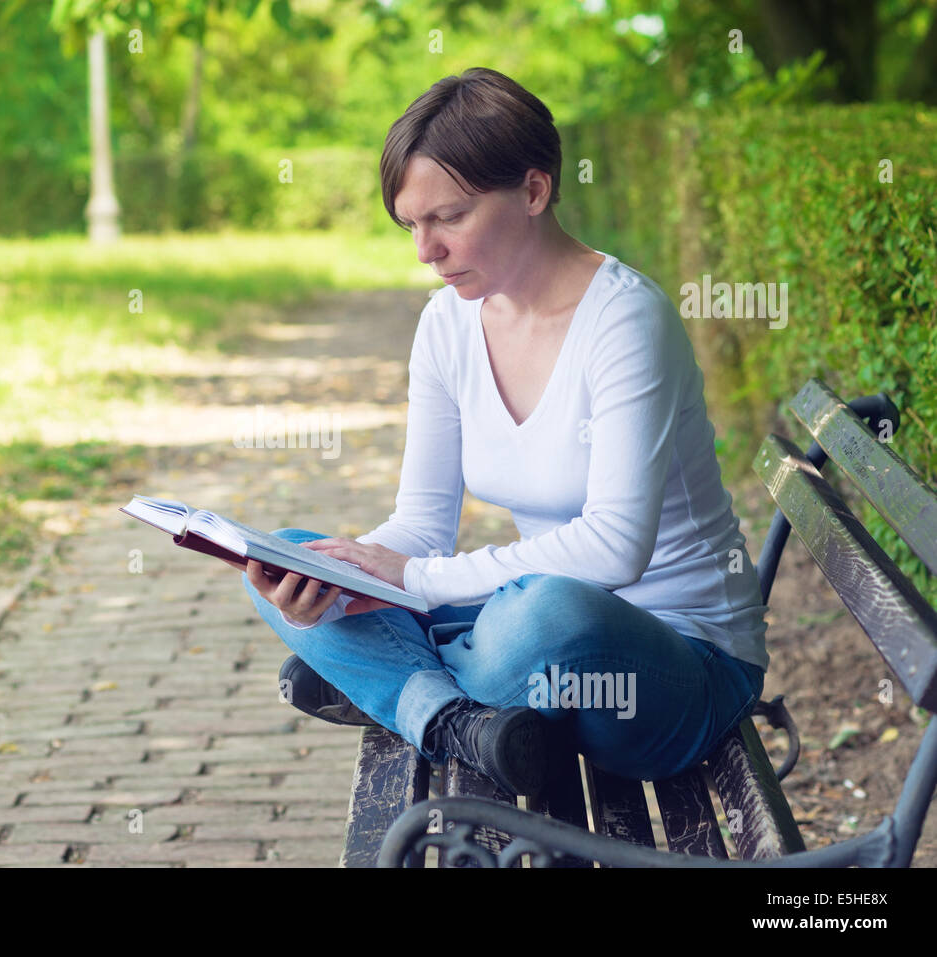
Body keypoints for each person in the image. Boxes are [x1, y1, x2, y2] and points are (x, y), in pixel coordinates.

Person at [233, 68, 769, 797]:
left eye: (448, 217)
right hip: (530, 659)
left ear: (534, 191)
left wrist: (409, 588)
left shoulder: (624, 321)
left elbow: (615, 546)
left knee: (549, 612)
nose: (426, 249)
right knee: (287, 558)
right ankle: (454, 717)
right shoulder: (446, 324)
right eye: (411, 225)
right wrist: (347, 575)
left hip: (671, 664)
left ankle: (394, 683)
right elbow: (421, 524)